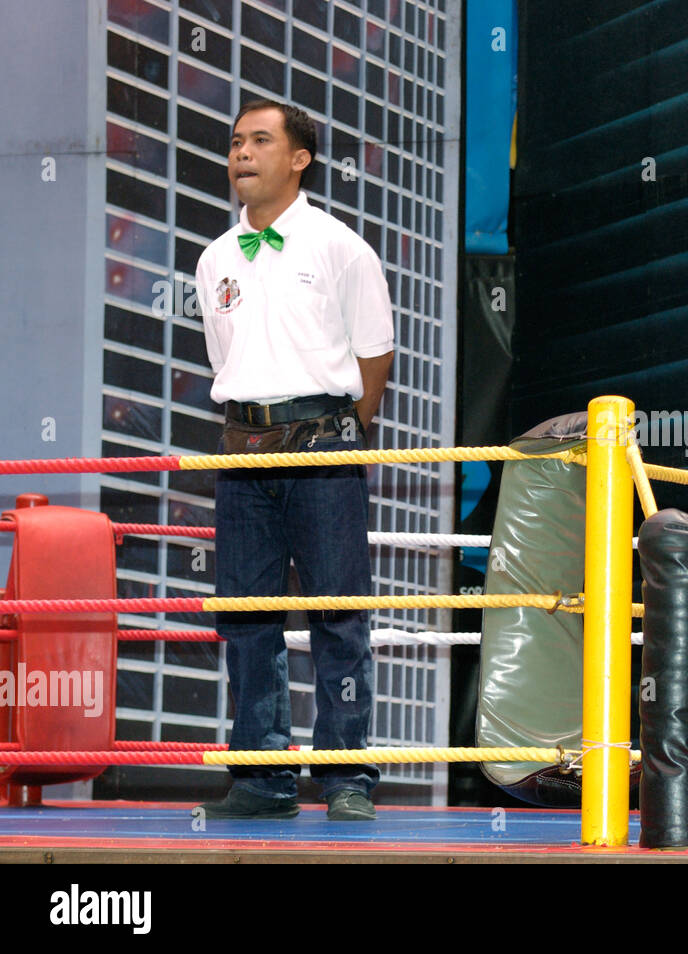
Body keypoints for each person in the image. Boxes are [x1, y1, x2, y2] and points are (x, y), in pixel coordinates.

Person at [195, 100, 394, 821]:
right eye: (235, 141)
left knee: (339, 617)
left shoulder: (342, 247)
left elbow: (374, 358)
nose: (241, 153)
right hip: (241, 453)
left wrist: (333, 430)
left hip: (325, 448)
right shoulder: (214, 257)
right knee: (246, 617)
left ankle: (345, 777)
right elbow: (227, 362)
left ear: (299, 159)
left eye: (259, 141)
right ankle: (261, 774)